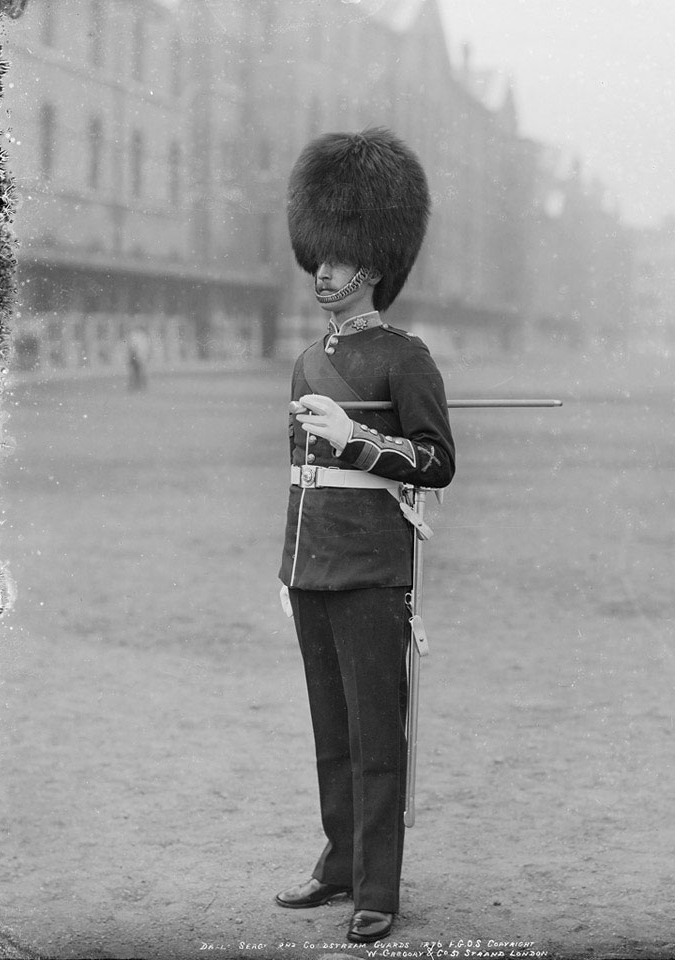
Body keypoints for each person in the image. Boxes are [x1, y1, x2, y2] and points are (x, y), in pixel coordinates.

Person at [275, 128, 455, 944]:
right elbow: (300, 478)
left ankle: (376, 887)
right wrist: (290, 565)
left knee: (377, 738)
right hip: (313, 567)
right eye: (318, 254)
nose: (324, 271)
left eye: (340, 257)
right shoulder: (309, 355)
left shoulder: (403, 357)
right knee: (330, 731)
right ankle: (340, 862)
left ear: (374, 264)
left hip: (374, 571)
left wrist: (355, 438)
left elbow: (435, 461)